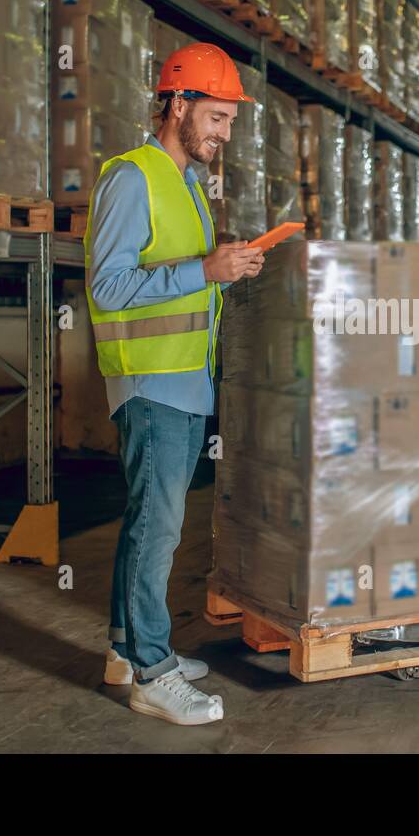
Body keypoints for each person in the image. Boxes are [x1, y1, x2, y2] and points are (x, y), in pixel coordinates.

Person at [84, 42, 263, 725]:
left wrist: (227, 268)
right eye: (216, 118)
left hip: (186, 381)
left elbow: (188, 276)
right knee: (157, 529)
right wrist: (205, 273)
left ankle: (127, 651)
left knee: (149, 524)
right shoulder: (132, 178)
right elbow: (109, 285)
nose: (224, 134)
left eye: (229, 122)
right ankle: (153, 676)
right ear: (178, 103)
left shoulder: (185, 182)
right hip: (150, 381)